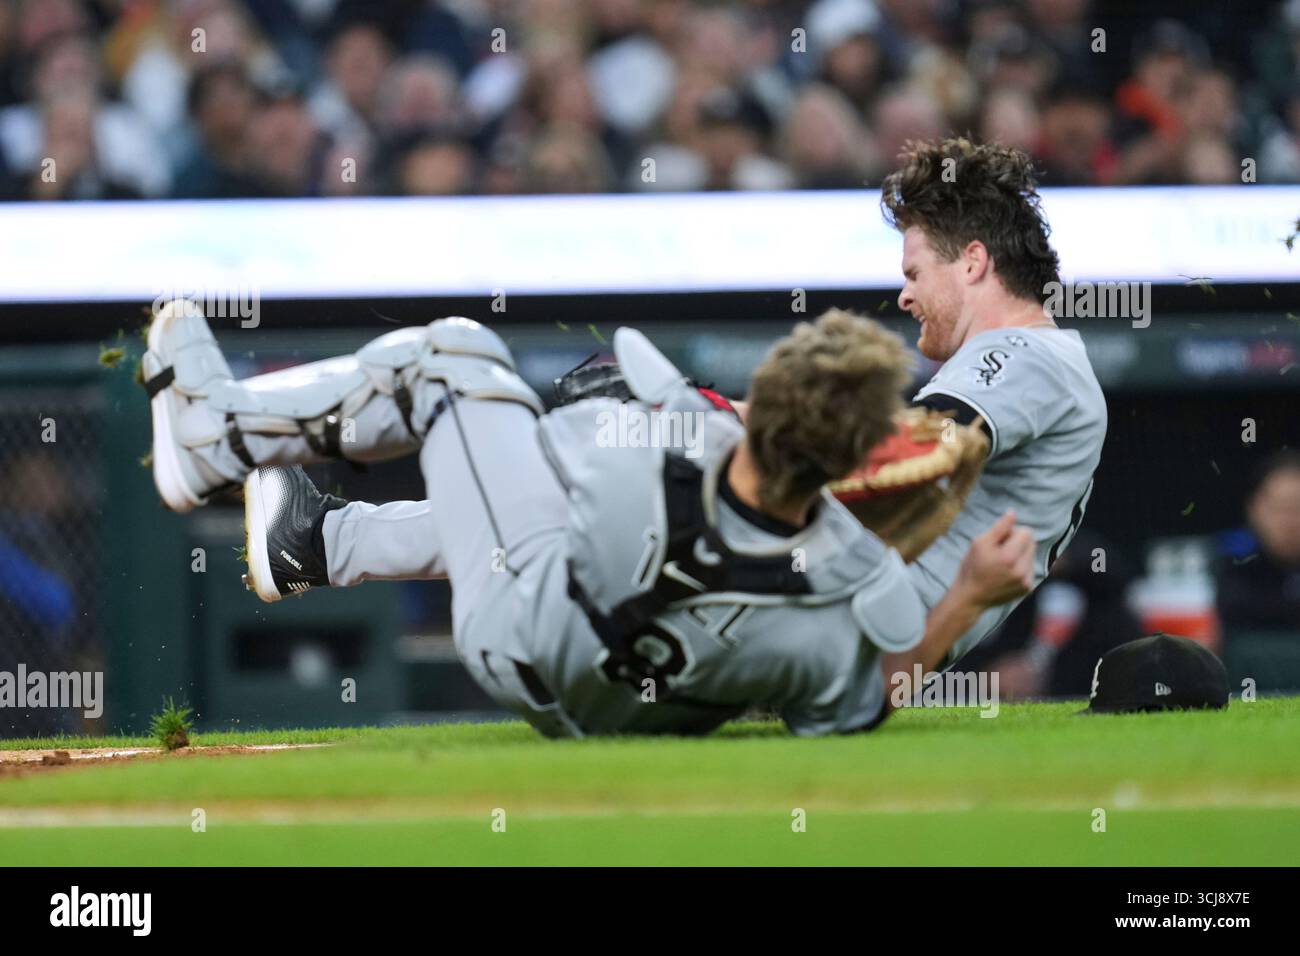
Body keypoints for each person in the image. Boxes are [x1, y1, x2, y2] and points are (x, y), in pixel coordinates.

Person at [141, 302, 1033, 737]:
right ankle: (320, 540)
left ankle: (216, 437)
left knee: (456, 357)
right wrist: (963, 593)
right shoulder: (847, 580)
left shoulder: (633, 452)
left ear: (767, 400)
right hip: (612, 723)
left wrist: (672, 408)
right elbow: (861, 703)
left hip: (516, 638)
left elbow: (555, 433)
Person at [880, 136, 1108, 666]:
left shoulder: (1029, 353)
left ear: (972, 262)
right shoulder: (1036, 358)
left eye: (914, 274)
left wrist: (736, 421)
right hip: (859, 637)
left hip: (844, 626)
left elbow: (906, 454)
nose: (904, 296)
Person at [1215, 450, 1300, 631]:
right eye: (1281, 508)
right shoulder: (1233, 563)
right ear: (1255, 510)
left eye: (1297, 508)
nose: (1290, 522)